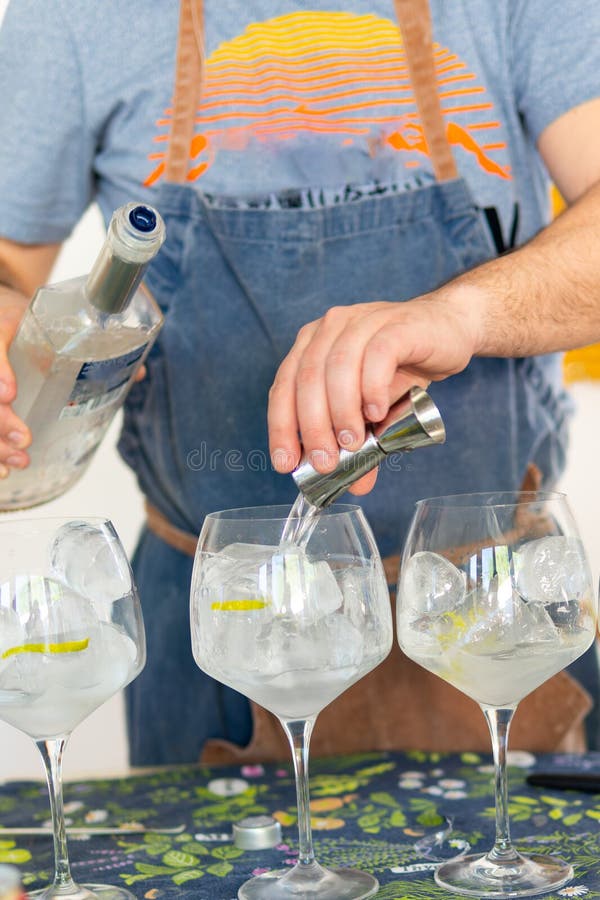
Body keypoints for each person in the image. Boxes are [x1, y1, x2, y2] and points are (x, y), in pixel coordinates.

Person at [0, 0, 599, 764]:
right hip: (221, 625)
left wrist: (465, 313)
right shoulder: (74, 15)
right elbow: (9, 265)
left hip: (493, 617)